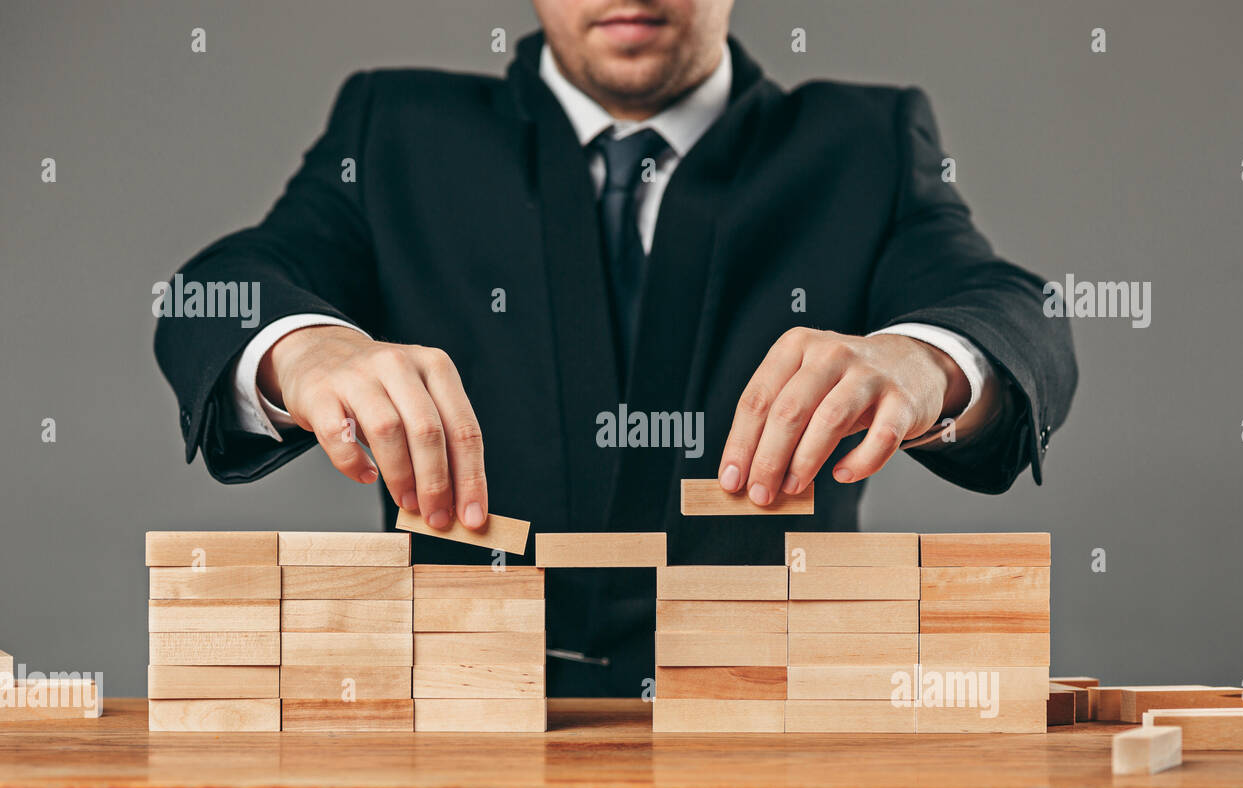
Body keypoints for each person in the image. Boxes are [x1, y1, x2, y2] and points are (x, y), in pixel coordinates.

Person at [154, 0, 1077, 696]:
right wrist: (304, 350)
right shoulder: (392, 126)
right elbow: (213, 288)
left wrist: (926, 361)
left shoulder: (862, 141)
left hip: (773, 737)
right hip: (451, 739)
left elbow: (1012, 308)